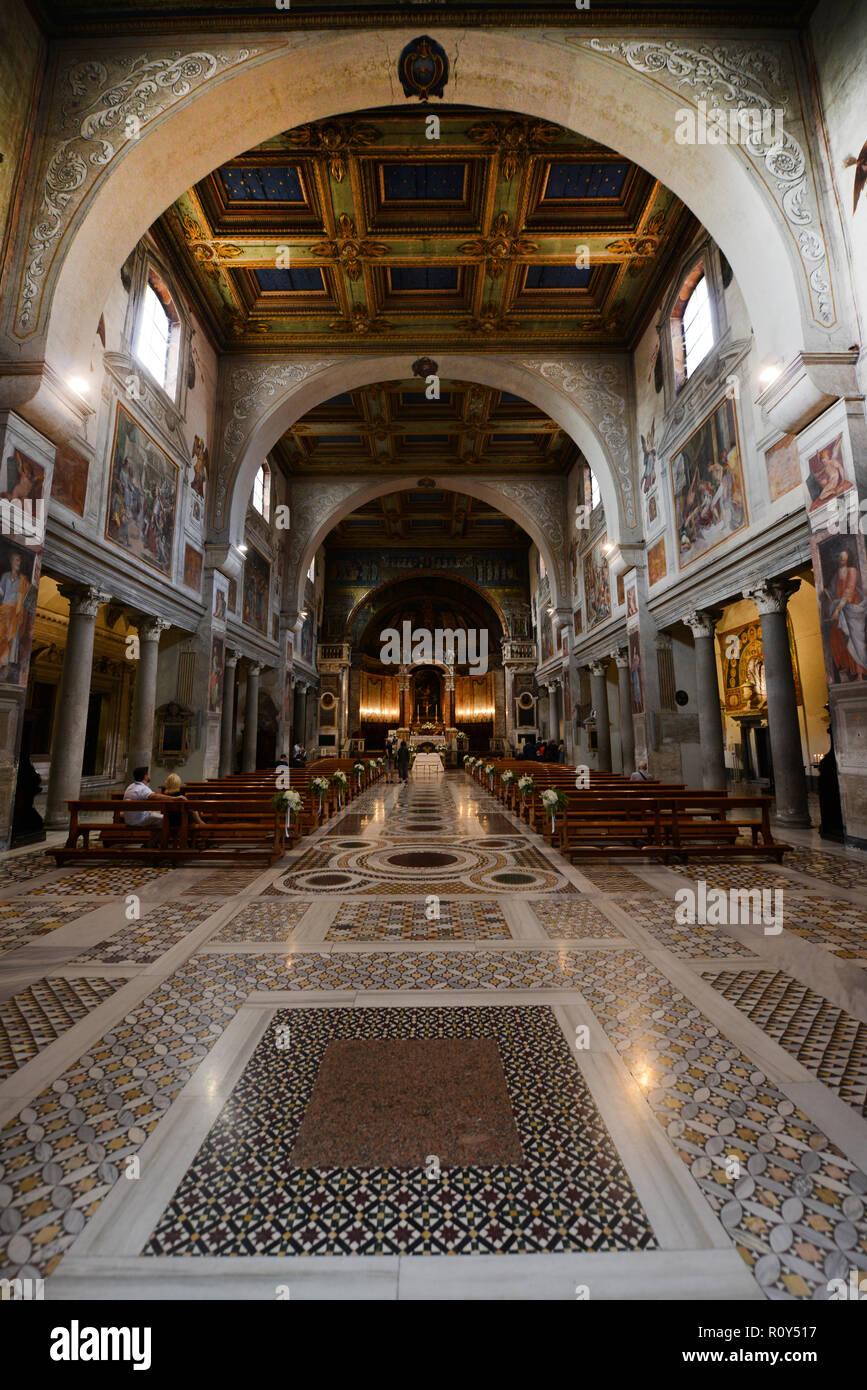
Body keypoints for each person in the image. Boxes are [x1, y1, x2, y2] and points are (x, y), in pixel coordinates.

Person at [162, 772, 206, 845]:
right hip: (182, 819)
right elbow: (188, 807)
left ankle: (201, 828)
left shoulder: (165, 795)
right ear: (177, 783)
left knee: (193, 812)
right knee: (193, 812)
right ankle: (202, 829)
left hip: (169, 819)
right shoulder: (180, 795)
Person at [123, 767, 167, 837]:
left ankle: (152, 841)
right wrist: (174, 798)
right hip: (138, 821)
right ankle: (154, 843)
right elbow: (154, 796)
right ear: (145, 776)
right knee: (166, 819)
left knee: (156, 815)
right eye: (148, 774)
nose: (149, 776)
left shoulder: (131, 786)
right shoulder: (142, 788)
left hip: (129, 819)